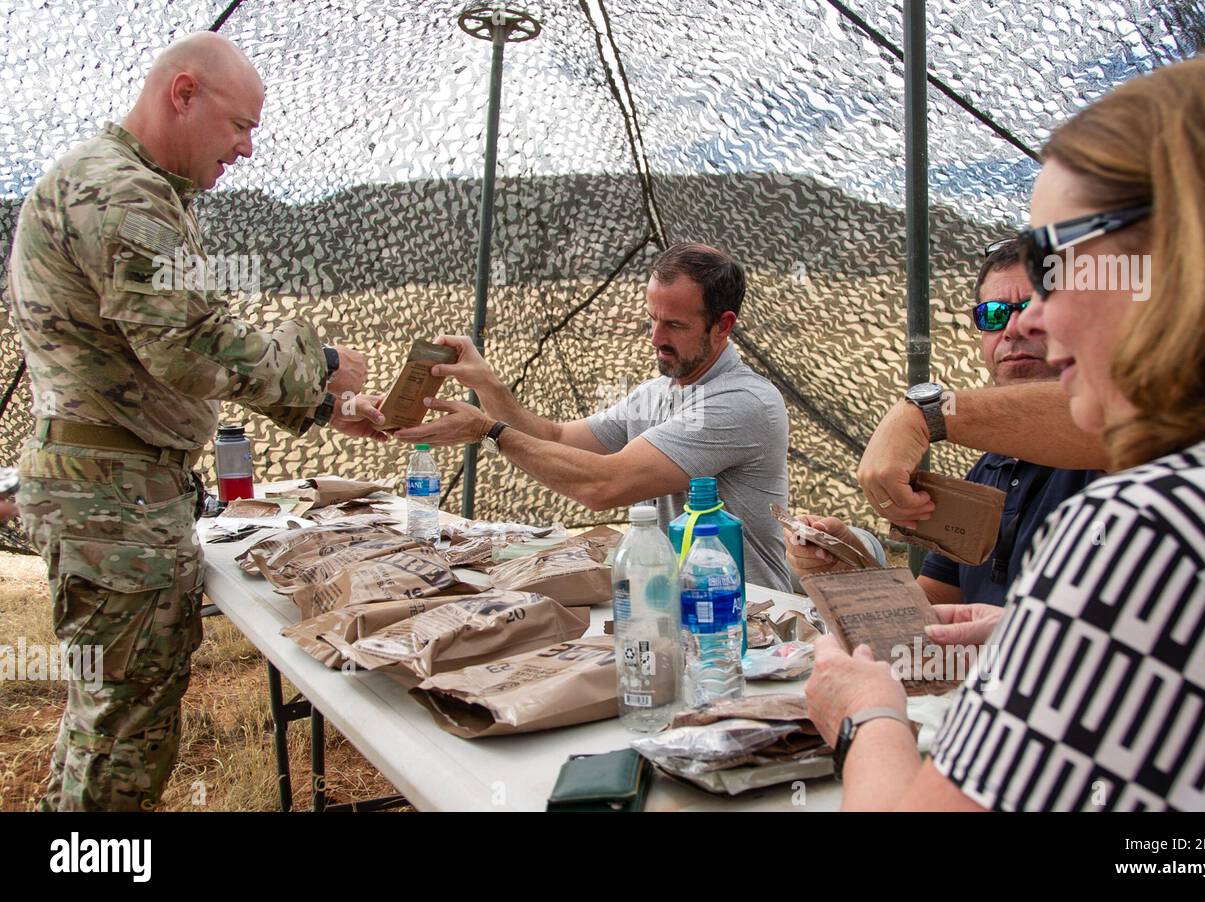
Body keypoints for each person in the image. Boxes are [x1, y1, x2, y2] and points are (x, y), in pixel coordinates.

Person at [807, 54, 1205, 811]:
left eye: (1053, 262)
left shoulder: (1154, 525)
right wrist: (1032, 639)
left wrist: (863, 718)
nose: (1034, 318)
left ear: (1183, 256)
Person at [6, 32, 385, 811]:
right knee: (121, 739)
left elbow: (165, 347)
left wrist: (321, 408)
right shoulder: (124, 196)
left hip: (118, 492)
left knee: (106, 725)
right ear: (184, 94)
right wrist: (320, 365)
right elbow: (189, 345)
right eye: (240, 125)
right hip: (113, 501)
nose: (246, 149)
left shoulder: (129, 188)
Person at [383, 242, 792, 591]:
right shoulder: (656, 395)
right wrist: (489, 385)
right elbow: (556, 437)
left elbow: (604, 485)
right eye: (652, 319)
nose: (655, 339)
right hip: (679, 604)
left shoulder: (743, 402)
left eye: (674, 325)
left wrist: (486, 430)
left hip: (746, 616)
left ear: (723, 326)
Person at [784, 241, 1103, 632]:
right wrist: (847, 566)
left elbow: (1114, 413)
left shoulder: (1130, 447)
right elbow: (929, 610)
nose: (1014, 328)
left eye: (1040, 307)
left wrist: (926, 413)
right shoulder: (990, 466)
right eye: (994, 313)